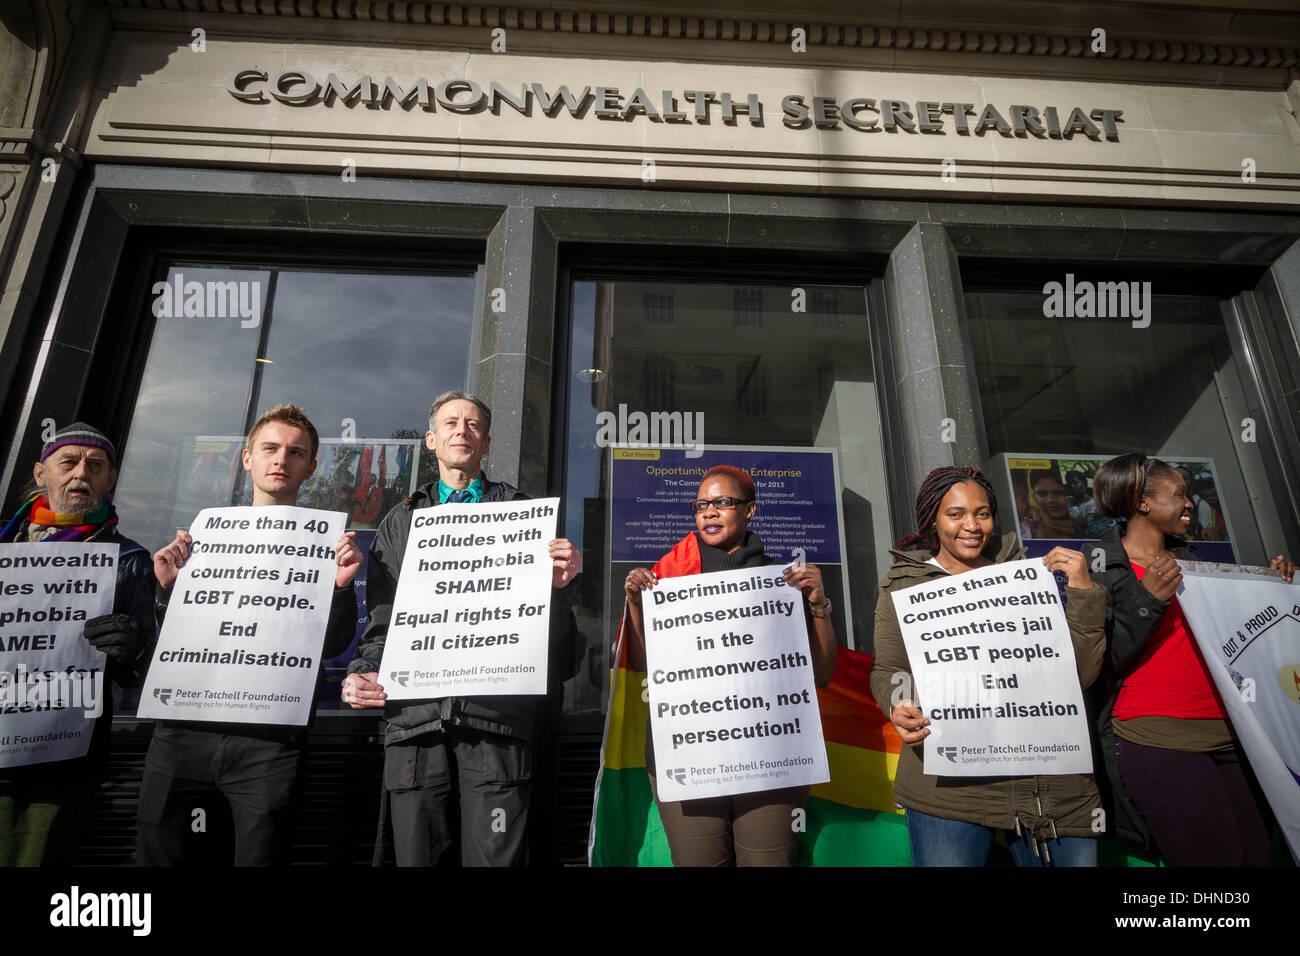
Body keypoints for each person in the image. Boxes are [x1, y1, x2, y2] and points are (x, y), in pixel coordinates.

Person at [341, 391, 581, 867]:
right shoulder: (401, 519)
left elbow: (556, 645)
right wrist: (363, 671)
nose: (462, 430)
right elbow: (384, 620)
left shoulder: (524, 514)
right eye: (451, 423)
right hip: (416, 723)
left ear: (486, 442)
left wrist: (559, 590)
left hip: (496, 722)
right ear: (431, 439)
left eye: (473, 424)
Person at [135, 404, 361, 866]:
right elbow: (166, 641)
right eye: (270, 449)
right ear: (247, 458)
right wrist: (167, 590)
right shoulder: (201, 538)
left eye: (295, 453)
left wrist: (339, 589)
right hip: (183, 730)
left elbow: (333, 645)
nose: (281, 460)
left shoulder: (328, 544)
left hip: (270, 741)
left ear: (311, 467)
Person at [868, 466, 1107, 866]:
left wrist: (1083, 592)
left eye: (982, 513)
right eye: (956, 514)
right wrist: (898, 703)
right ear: (933, 519)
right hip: (946, 786)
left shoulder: (1028, 578)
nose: (972, 526)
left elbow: (1080, 674)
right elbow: (889, 668)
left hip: (1048, 788)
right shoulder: (903, 584)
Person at [622, 464, 838, 866]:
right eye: (702, 505)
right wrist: (637, 604)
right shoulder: (666, 580)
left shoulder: (783, 582)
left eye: (723, 502)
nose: (709, 512)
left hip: (769, 756)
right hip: (689, 756)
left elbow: (821, 675)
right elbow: (640, 665)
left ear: (750, 510)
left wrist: (818, 606)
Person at [1090, 453, 1288, 865]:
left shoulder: (1199, 564)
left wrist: (1269, 586)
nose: (1189, 504)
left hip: (1233, 737)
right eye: (1179, 494)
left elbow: (1241, 639)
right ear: (1143, 503)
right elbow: (1097, 664)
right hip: (1159, 740)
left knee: (1256, 857)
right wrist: (1148, 600)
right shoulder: (1099, 571)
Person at [0, 422, 156, 866]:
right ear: (39, 473)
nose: (80, 473)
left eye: (96, 465)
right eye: (68, 462)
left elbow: (137, 673)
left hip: (57, 758)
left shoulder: (127, 561)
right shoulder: (3, 545)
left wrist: (133, 646)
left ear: (109, 480)